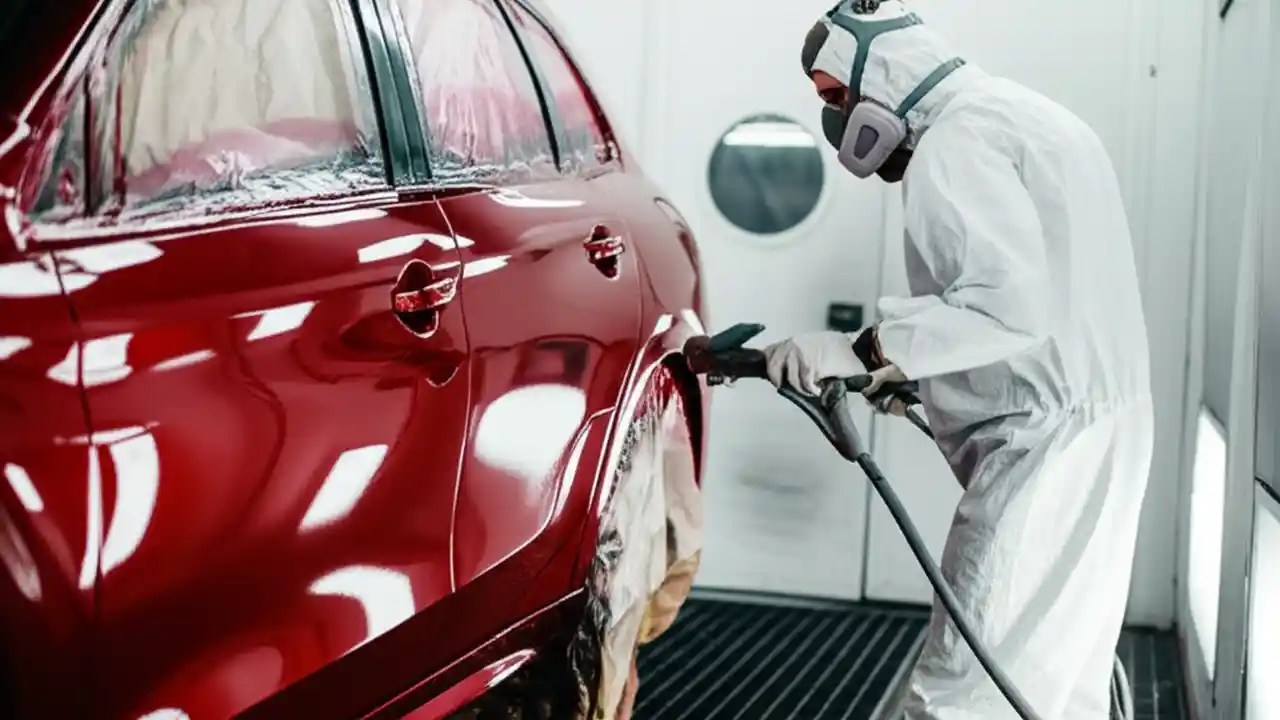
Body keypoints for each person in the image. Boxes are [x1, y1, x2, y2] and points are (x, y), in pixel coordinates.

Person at [765, 1, 1155, 717]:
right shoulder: (1020, 114)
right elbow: (1043, 303)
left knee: (964, 684)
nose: (834, 119)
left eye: (835, 97)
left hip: (1042, 447)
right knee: (1052, 676)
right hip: (1096, 427)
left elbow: (1005, 307)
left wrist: (859, 350)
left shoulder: (954, 142)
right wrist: (914, 371)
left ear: (878, 73)